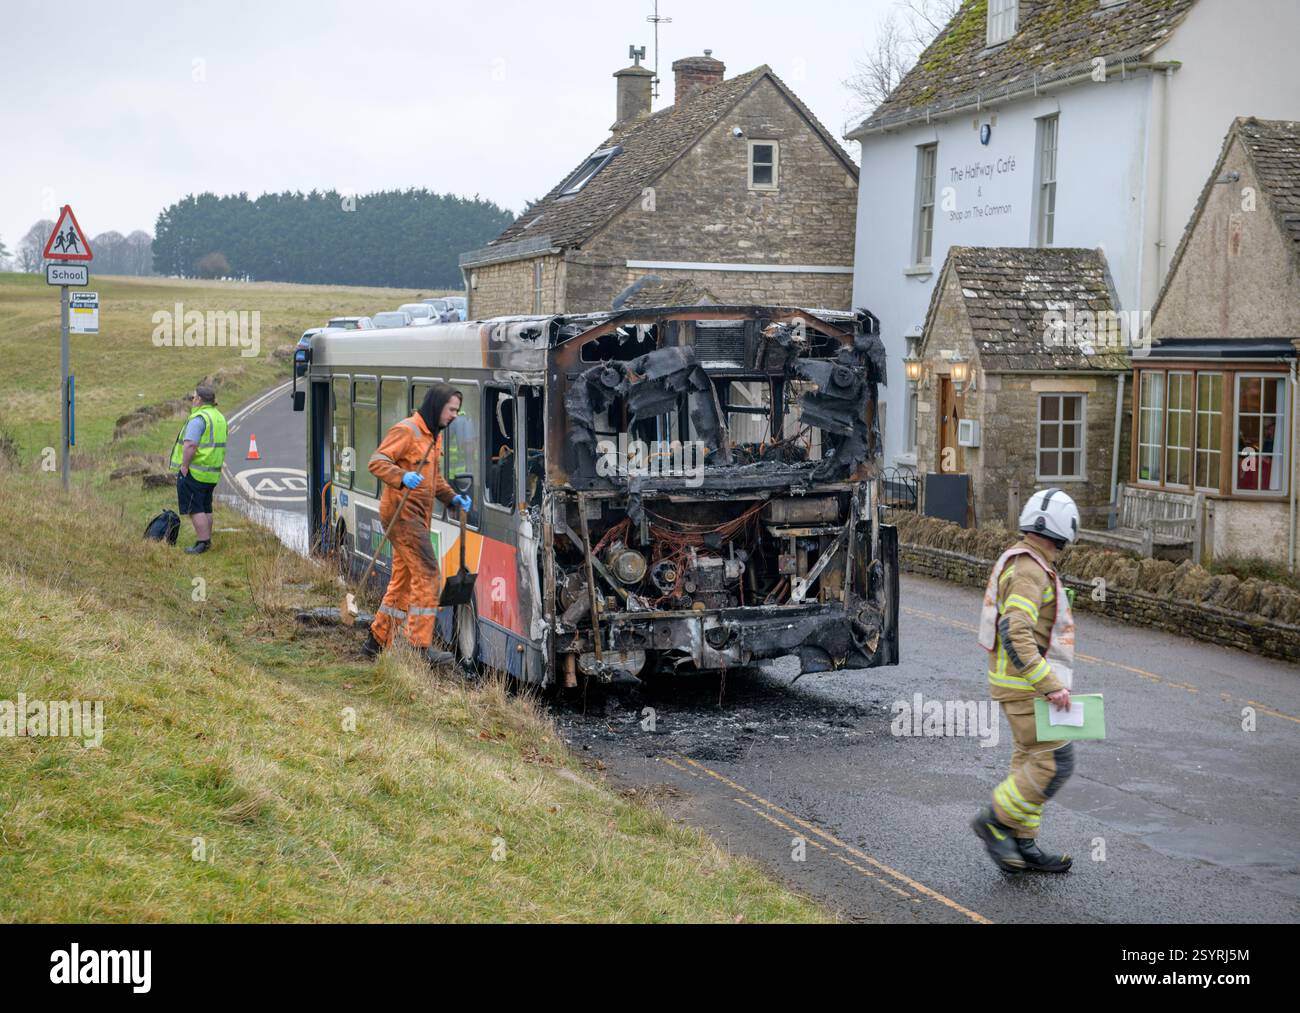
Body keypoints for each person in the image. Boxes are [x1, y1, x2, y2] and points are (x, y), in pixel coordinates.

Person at [971, 487, 1080, 874]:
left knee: (1029, 759)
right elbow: (1016, 632)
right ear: (1063, 529)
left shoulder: (1027, 562)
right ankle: (995, 822)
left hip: (1019, 685)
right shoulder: (1030, 570)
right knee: (1055, 762)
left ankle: (1022, 843)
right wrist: (1050, 685)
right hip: (1024, 688)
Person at [362, 383, 472, 665]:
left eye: (457, 411)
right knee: (429, 575)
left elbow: (434, 479)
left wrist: (453, 499)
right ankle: (419, 647)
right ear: (437, 406)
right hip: (402, 514)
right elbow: (376, 461)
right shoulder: (407, 430)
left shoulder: (433, 437)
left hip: (416, 517)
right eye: (451, 409)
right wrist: (401, 477)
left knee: (403, 581)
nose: (454, 416)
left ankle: (376, 641)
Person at [169, 383, 227, 554]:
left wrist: (184, 467)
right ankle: (207, 541)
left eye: (194, 397)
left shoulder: (199, 418)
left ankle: (202, 542)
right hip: (211, 473)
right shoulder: (219, 417)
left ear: (200, 400)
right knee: (206, 506)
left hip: (195, 470)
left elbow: (190, 445)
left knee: (195, 508)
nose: (192, 400)